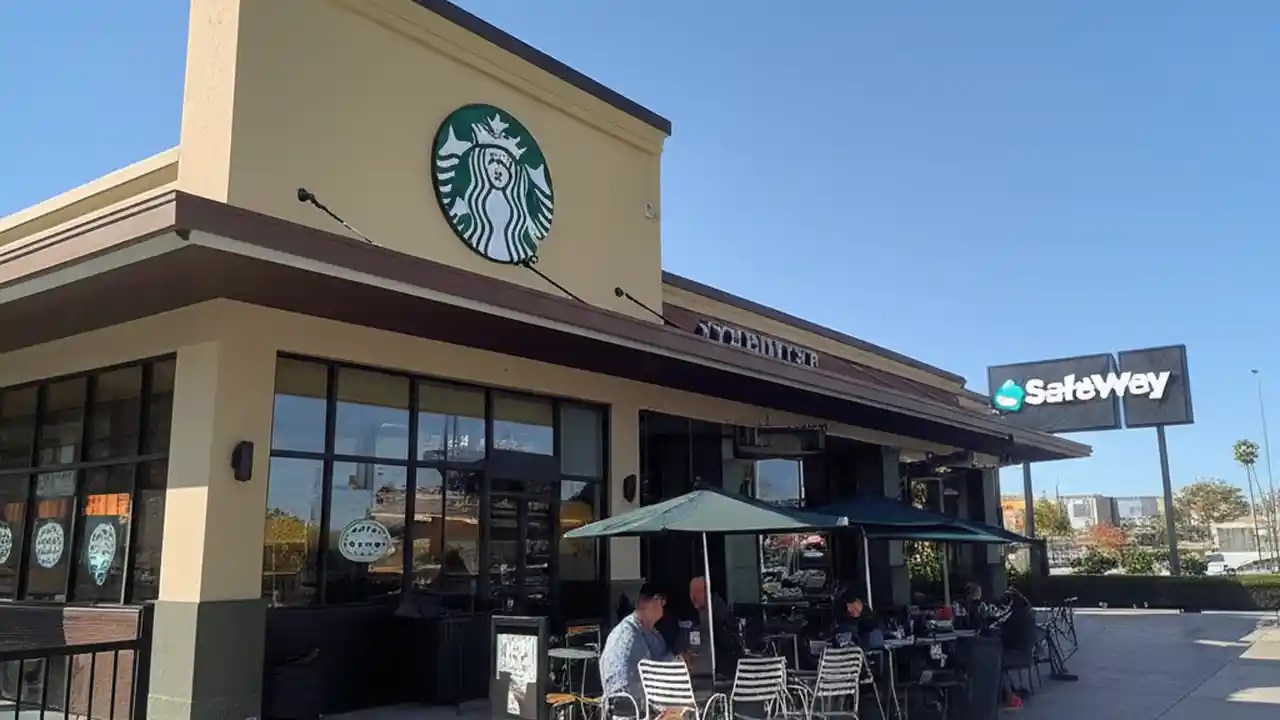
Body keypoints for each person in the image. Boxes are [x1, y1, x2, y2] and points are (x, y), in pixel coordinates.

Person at [599, 584, 673, 715]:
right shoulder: (626, 637)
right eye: (661, 602)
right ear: (647, 602)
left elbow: (660, 663)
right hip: (632, 709)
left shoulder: (650, 633)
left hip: (648, 704)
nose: (663, 609)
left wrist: (677, 660)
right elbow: (621, 691)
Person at [684, 576, 744, 677]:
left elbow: (722, 643)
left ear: (707, 591)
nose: (692, 597)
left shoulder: (717, 612)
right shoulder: (704, 608)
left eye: (697, 592)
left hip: (723, 671)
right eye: (691, 592)